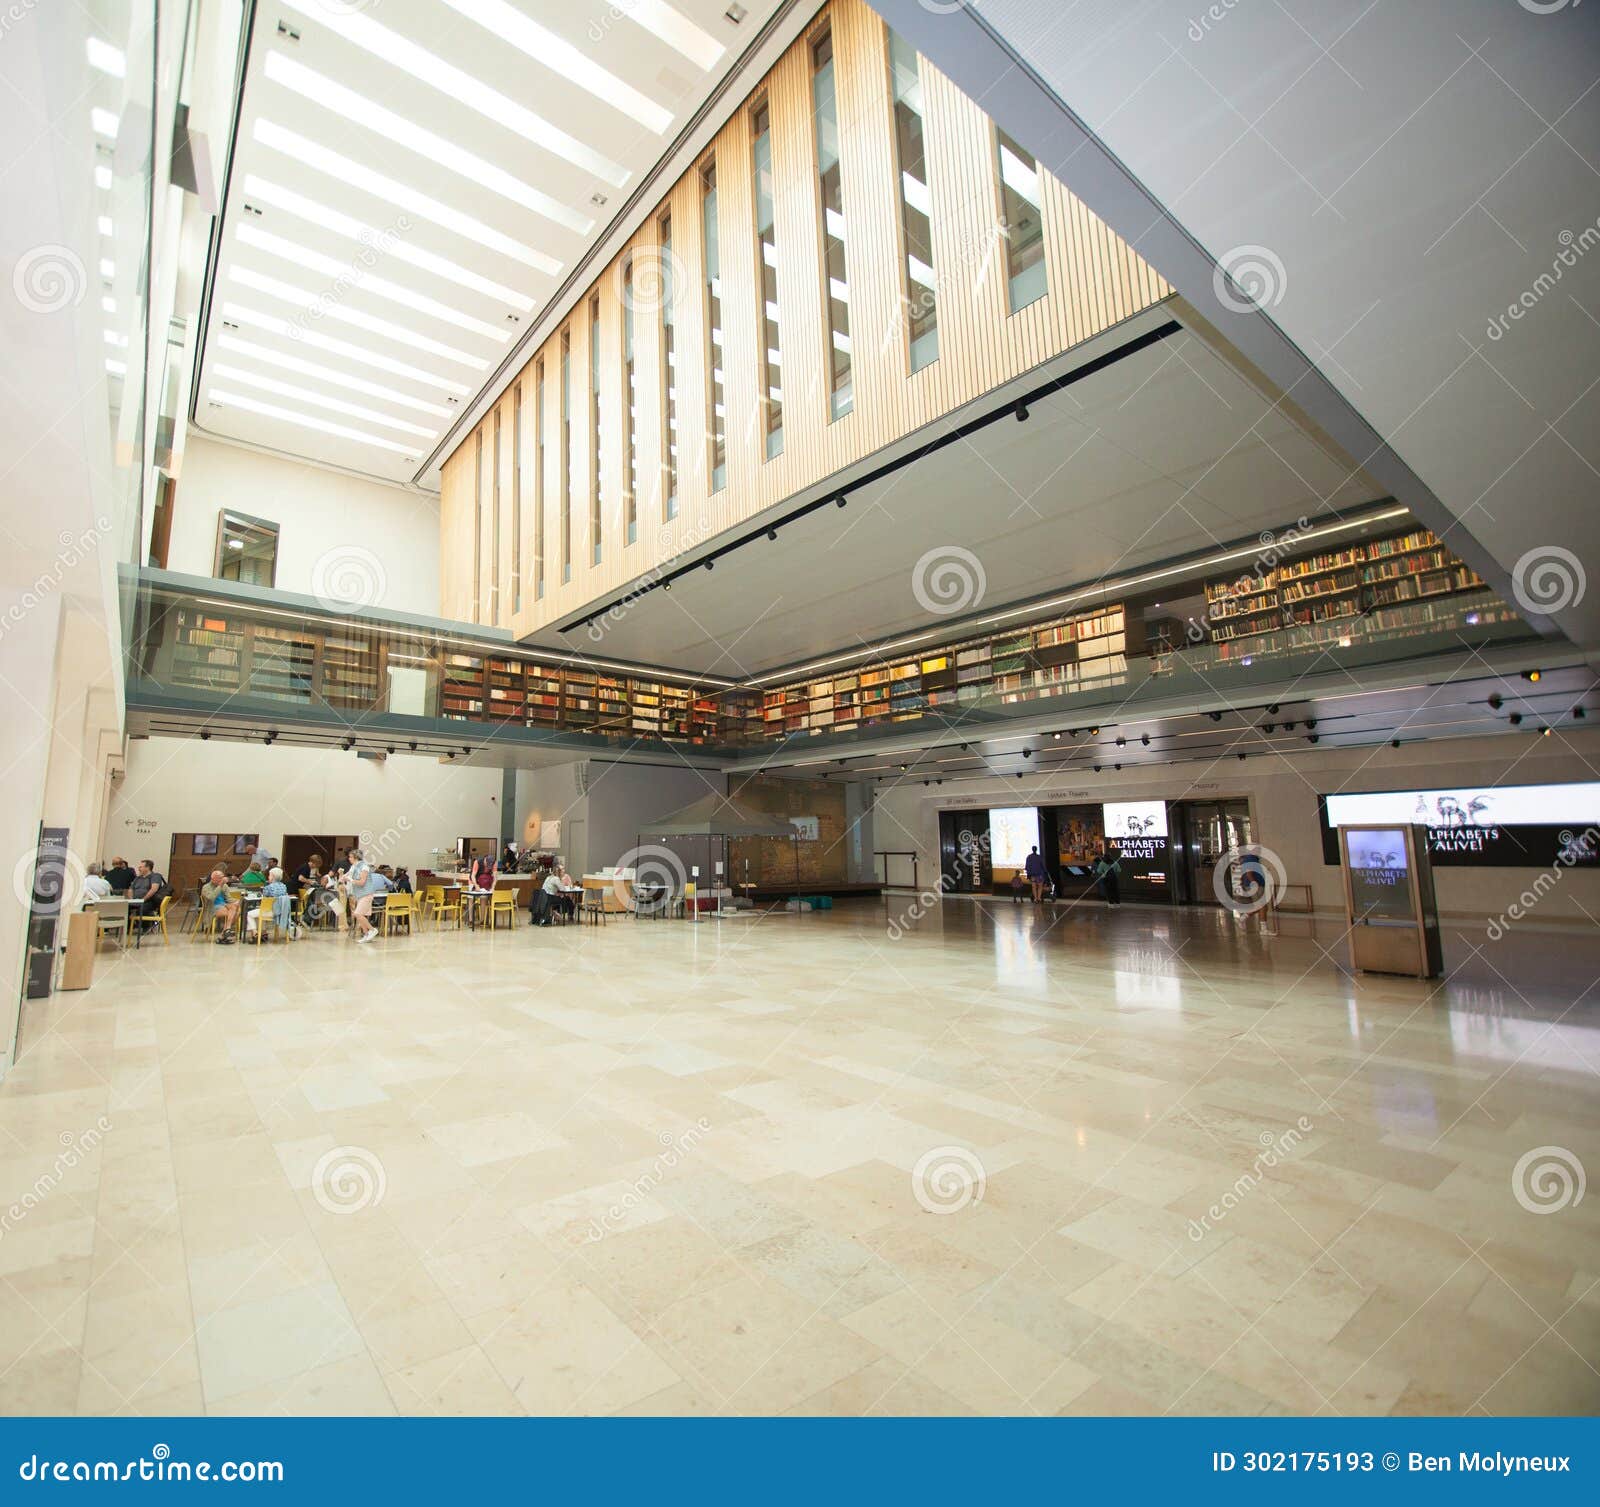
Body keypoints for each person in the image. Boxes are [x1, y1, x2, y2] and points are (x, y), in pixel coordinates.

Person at [348, 862, 390, 943]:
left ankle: (368, 932)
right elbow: (391, 885)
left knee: (358, 914)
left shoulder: (365, 877)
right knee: (359, 914)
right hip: (381, 902)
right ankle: (368, 932)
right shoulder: (381, 876)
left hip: (368, 899)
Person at [201, 868, 240, 943]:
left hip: (224, 905)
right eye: (220, 878)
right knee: (234, 912)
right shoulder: (206, 887)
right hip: (212, 907)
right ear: (213, 878)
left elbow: (229, 899)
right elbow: (211, 898)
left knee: (235, 908)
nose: (222, 880)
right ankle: (224, 934)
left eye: (222, 878)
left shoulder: (224, 886)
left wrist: (236, 901)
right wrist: (220, 886)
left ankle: (225, 932)